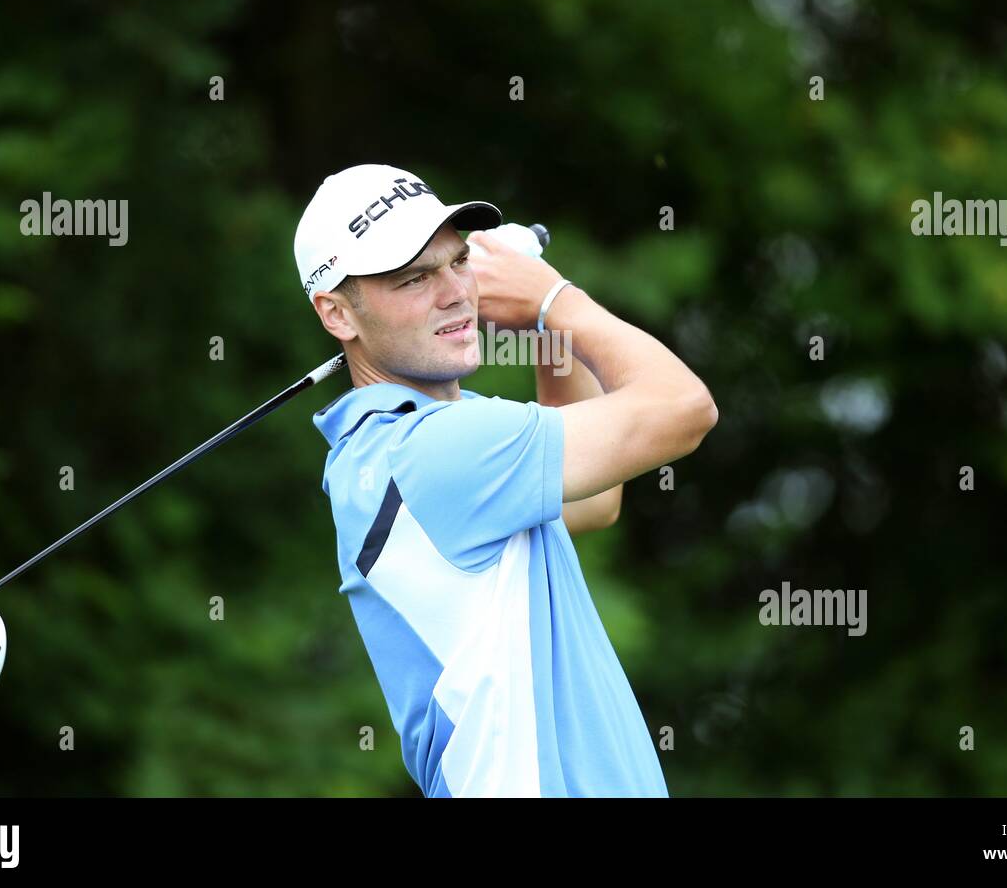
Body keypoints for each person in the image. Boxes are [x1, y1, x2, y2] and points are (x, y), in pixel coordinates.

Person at [295, 163, 718, 797]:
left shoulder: (387, 455)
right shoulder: (437, 452)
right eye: (413, 278)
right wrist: (553, 297)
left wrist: (543, 326)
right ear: (337, 315)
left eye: (459, 262)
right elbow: (686, 410)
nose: (454, 293)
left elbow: (594, 503)